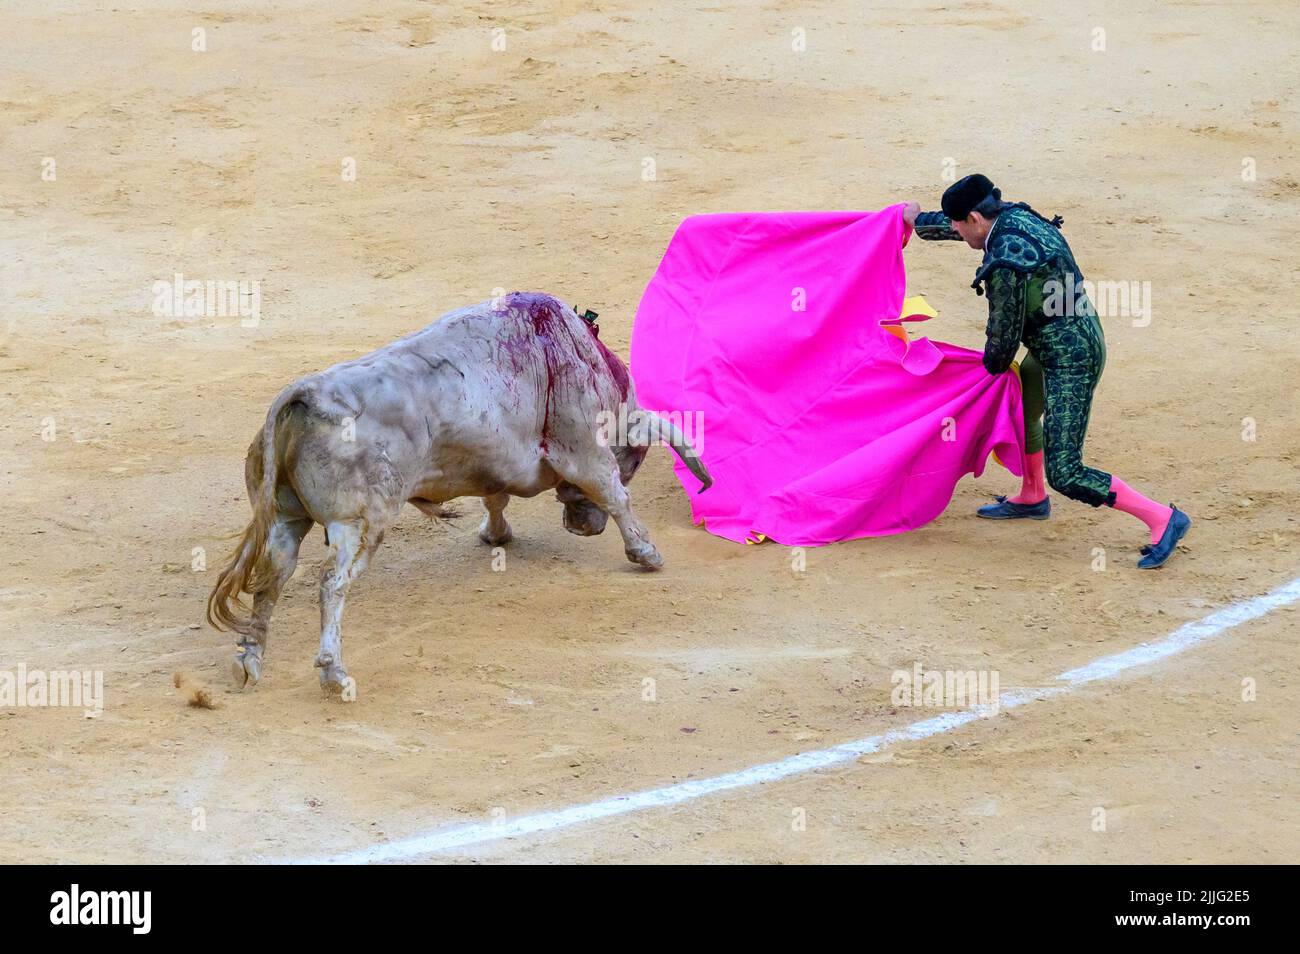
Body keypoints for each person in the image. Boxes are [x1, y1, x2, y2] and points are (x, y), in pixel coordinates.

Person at [902, 174, 1190, 569]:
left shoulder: (1005, 261)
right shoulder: (1012, 216)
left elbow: (1001, 347)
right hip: (1065, 336)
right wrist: (914, 221)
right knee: (1021, 410)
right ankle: (1032, 494)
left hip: (1071, 357)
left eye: (956, 223)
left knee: (1067, 471)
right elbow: (961, 228)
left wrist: (977, 375)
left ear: (973, 217)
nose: (953, 230)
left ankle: (1161, 517)